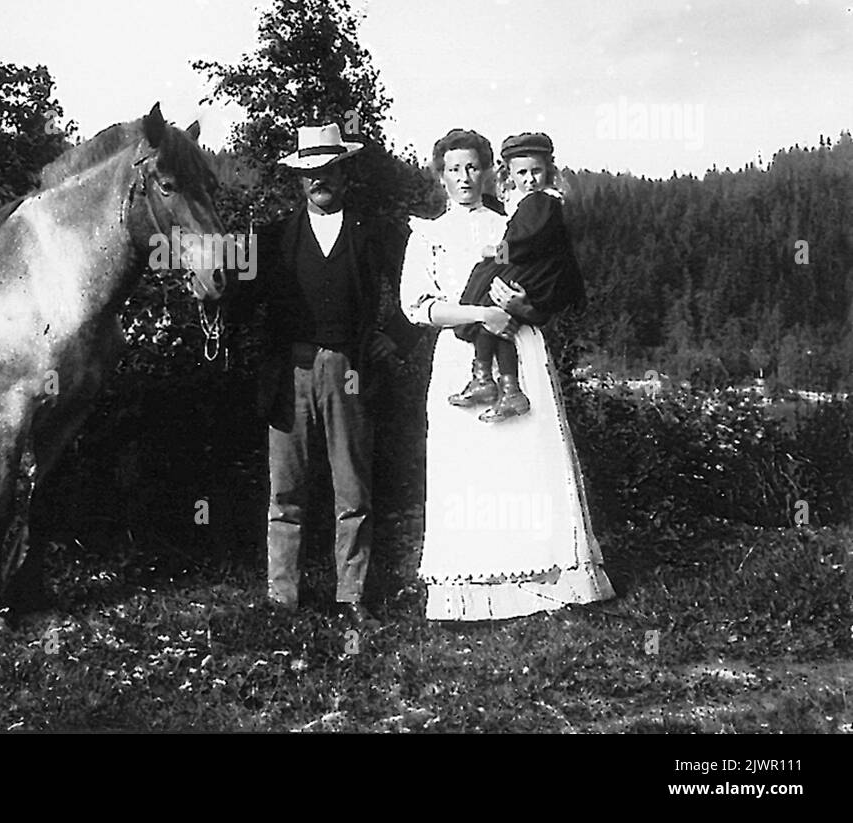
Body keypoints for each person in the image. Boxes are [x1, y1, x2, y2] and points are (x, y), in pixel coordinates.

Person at [400, 128, 614, 621]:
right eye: (453, 169)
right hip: (462, 355)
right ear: (440, 177)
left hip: (520, 345)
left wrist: (523, 307)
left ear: (490, 171)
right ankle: (475, 589)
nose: (464, 178)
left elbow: (553, 284)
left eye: (473, 167)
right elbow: (417, 308)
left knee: (524, 459)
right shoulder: (428, 234)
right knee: (471, 467)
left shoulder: (517, 222)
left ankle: (540, 581)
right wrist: (479, 316)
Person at [226, 123, 419, 627]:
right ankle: (281, 598)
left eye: (327, 169)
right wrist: (211, 286)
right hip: (289, 367)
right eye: (309, 171)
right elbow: (238, 301)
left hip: (349, 368)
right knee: (285, 489)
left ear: (344, 171)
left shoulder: (375, 231)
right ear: (298, 179)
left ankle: (351, 595)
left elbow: (416, 286)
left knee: (352, 487)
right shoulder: (271, 239)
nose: (319, 179)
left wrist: (393, 337)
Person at [449, 132, 586, 423]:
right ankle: (506, 385)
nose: (530, 179)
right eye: (522, 172)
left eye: (536, 171)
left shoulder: (541, 202)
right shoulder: (524, 202)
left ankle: (486, 376)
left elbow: (526, 241)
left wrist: (496, 252)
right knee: (497, 317)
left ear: (548, 170)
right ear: (509, 174)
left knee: (485, 293)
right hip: (533, 271)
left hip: (534, 272)